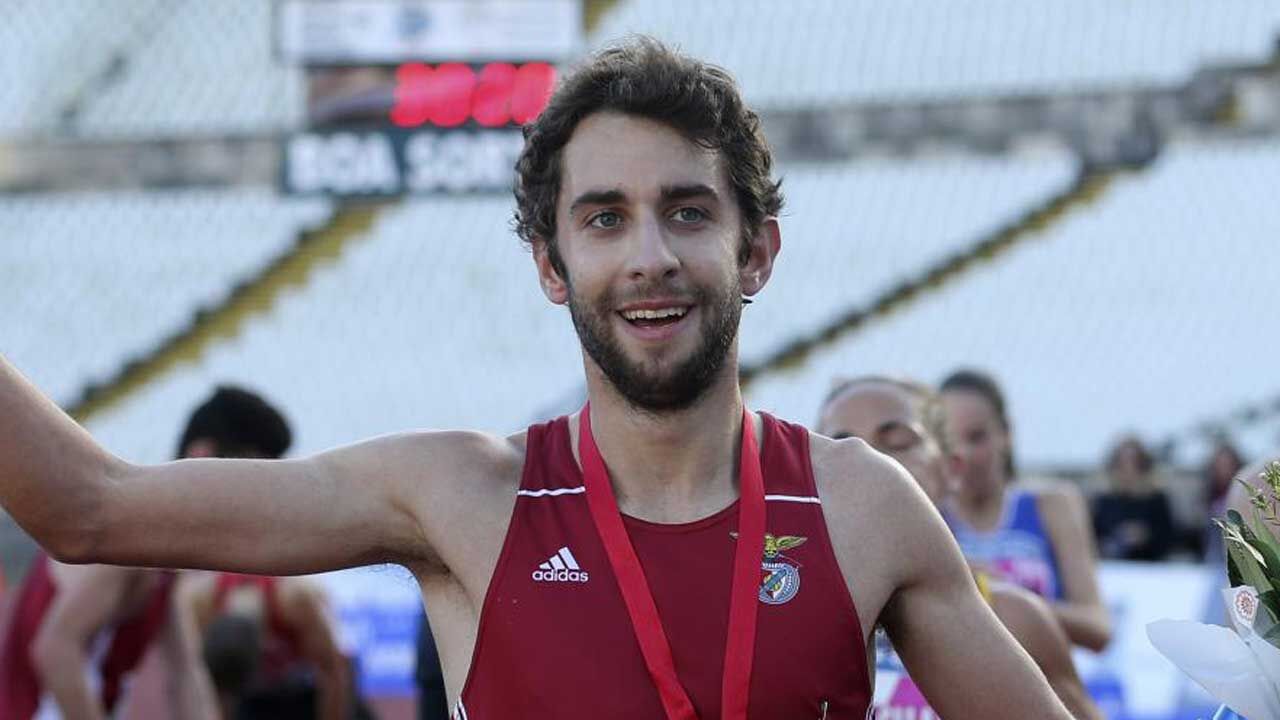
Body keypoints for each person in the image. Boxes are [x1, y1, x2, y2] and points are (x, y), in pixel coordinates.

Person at [0, 38, 1075, 719]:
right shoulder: (459, 497)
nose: (648, 253)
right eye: (604, 217)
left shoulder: (860, 505)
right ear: (552, 266)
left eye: (687, 211)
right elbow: (88, 508)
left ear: (756, 252)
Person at [818, 376, 1103, 720]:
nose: (869, 460)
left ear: (951, 469)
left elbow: (1098, 631)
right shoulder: (777, 616)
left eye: (897, 442)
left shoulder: (1014, 619)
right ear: (810, 471)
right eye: (841, 444)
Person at [0, 385, 291, 719]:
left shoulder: (160, 565)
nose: (257, 509)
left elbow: (186, 676)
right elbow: (55, 650)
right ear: (201, 454)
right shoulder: (125, 546)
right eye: (250, 486)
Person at [938, 369, 1112, 651]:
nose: (964, 454)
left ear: (1005, 434)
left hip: (1043, 684)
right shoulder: (925, 513)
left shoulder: (1052, 504)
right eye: (949, 440)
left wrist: (1001, 593)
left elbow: (1098, 628)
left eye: (976, 437)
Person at [1091, 436, 1176, 561]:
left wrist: (1146, 536)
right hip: (1112, 566)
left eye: (1134, 463)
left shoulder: (1156, 500)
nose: (1128, 469)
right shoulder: (1105, 501)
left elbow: (1170, 539)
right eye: (1122, 464)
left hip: (1151, 567)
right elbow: (1094, 537)